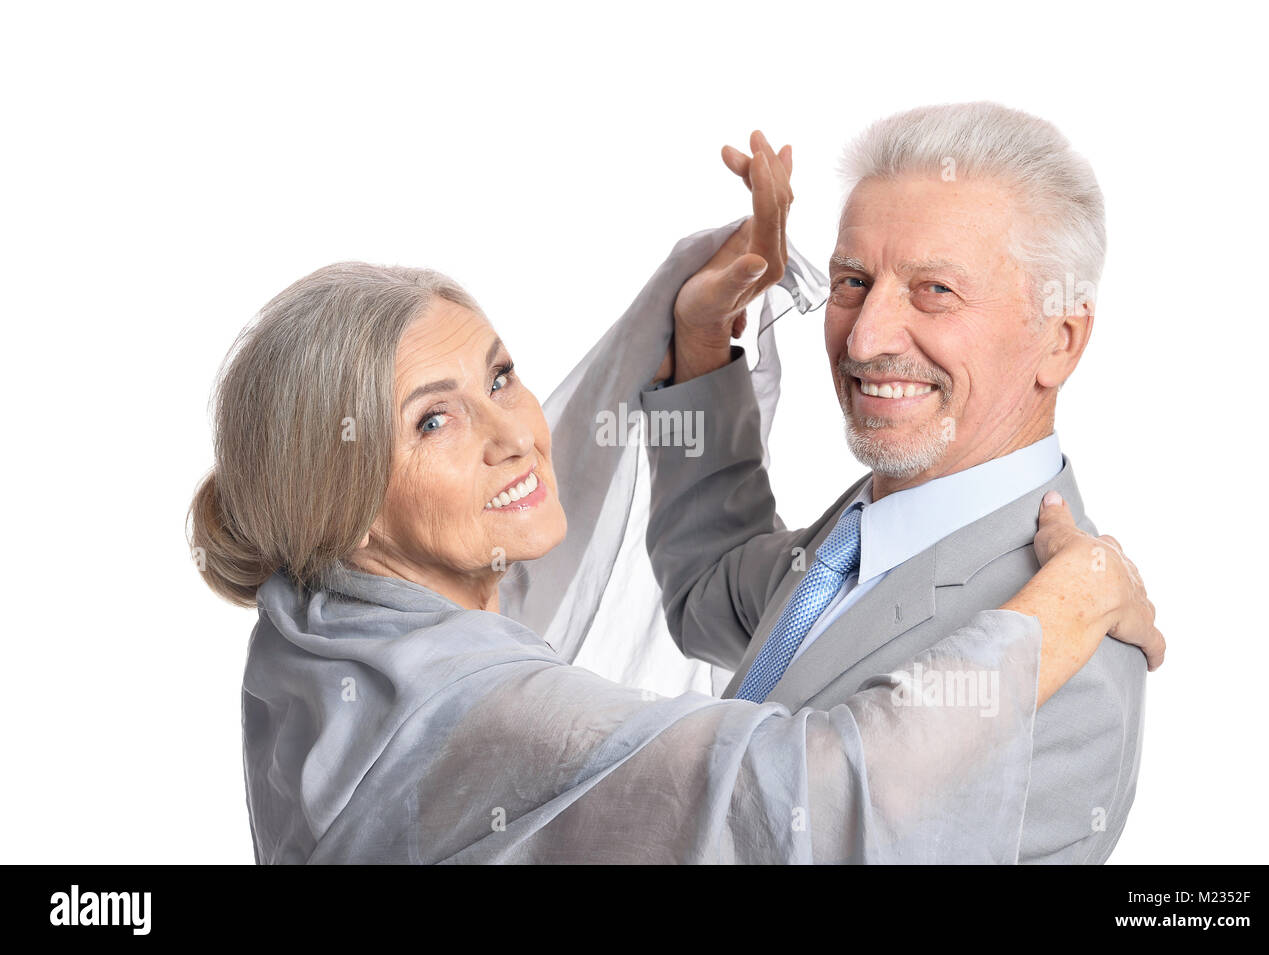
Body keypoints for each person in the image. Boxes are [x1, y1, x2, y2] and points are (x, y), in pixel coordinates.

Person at [187, 134, 1162, 863]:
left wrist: (700, 354)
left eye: (501, 375)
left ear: (1060, 341)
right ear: (343, 495)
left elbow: (706, 596)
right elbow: (795, 798)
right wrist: (1056, 615)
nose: (863, 340)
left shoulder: (321, 625)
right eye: (432, 422)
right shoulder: (477, 708)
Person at [645, 105, 1157, 864]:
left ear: (1060, 339)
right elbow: (708, 588)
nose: (863, 337)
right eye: (853, 280)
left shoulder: (1074, 679)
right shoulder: (857, 536)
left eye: (935, 290)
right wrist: (699, 330)